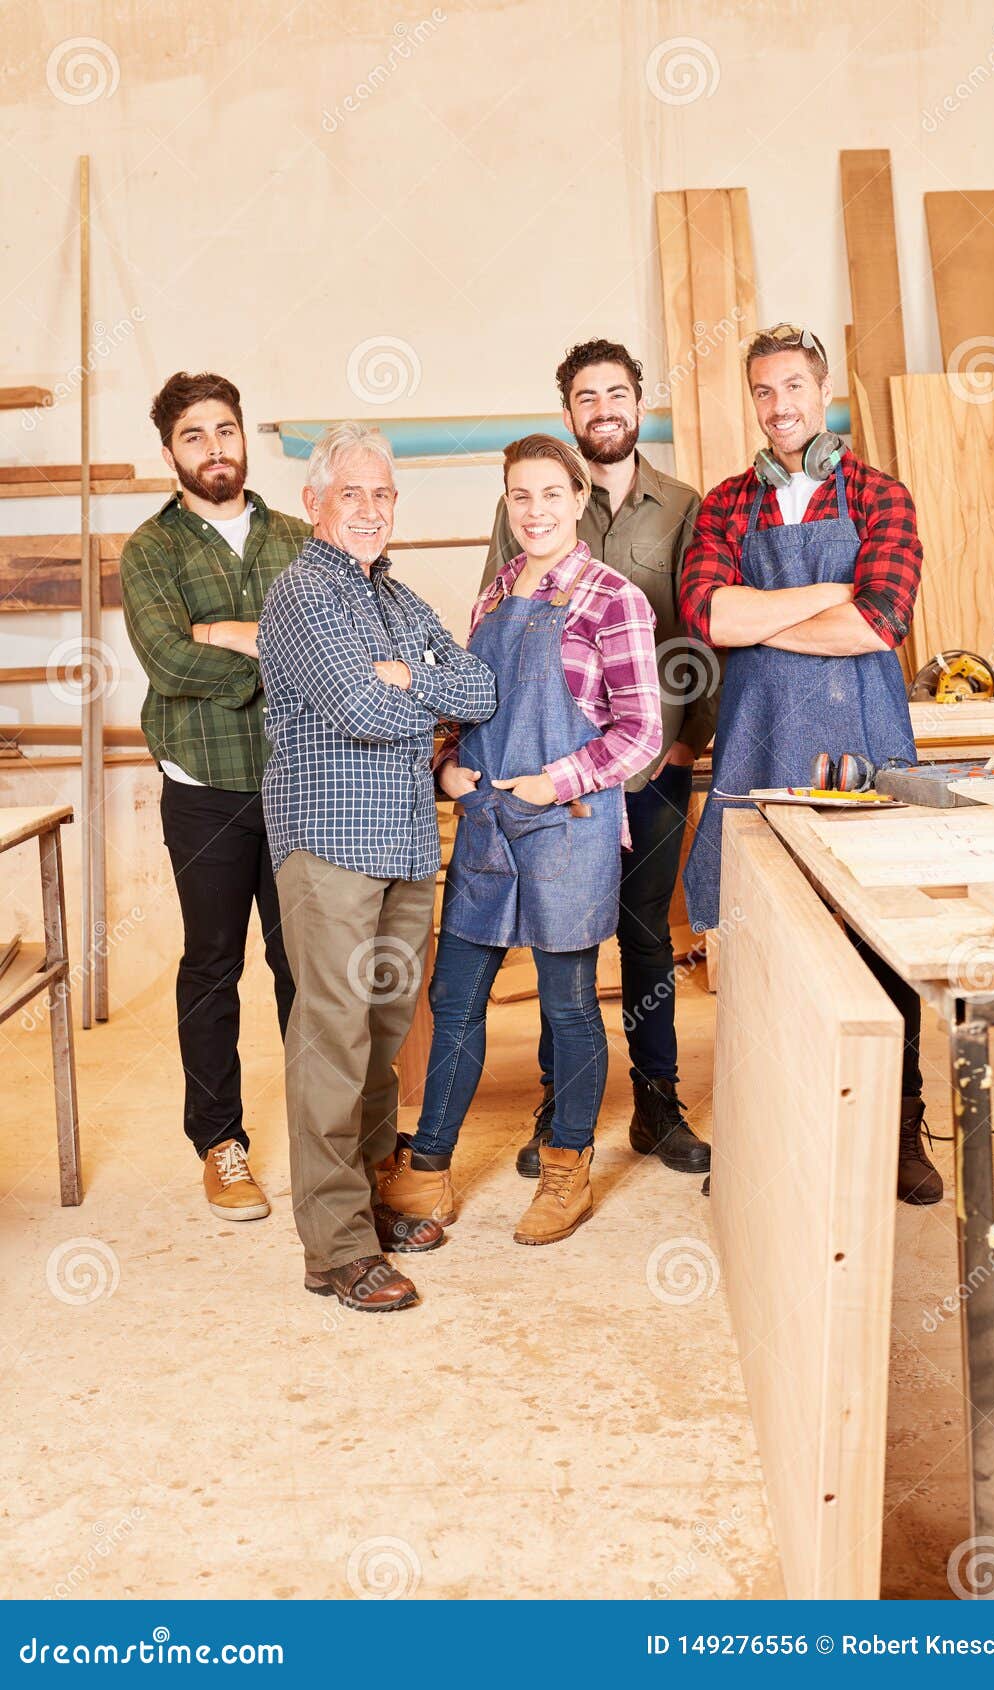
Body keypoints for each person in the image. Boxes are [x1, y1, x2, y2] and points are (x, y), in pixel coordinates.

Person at [377, 435, 662, 1246]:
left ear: (579, 500)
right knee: (455, 998)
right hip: (489, 827)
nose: (534, 510)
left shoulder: (614, 599)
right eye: (519, 496)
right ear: (507, 505)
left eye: (549, 494)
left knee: (569, 1008)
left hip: (567, 828)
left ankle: (566, 1168)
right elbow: (465, 707)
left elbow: (641, 734)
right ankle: (427, 1170)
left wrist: (557, 780)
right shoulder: (494, 594)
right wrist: (446, 766)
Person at [679, 323, 940, 1205]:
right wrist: (828, 594)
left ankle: (898, 1128)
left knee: (875, 943)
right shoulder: (723, 505)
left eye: (792, 387)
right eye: (762, 391)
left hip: (861, 738)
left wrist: (768, 619)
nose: (779, 406)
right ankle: (768, 1133)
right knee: (758, 946)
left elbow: (878, 622)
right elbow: (710, 621)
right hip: (755, 743)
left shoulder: (880, 495)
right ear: (750, 401)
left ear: (820, 391)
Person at [257, 423, 496, 1312]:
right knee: (332, 1035)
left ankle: (361, 1204)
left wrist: (413, 672)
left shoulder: (395, 599)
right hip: (328, 844)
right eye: (349, 493)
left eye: (381, 495)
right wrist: (404, 683)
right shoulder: (300, 596)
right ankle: (334, 1249)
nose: (367, 509)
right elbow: (360, 707)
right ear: (313, 502)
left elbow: (480, 687)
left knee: (384, 1035)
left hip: (401, 840)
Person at [479, 340, 713, 1178]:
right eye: (586, 397)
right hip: (551, 779)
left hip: (645, 765)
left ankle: (657, 1102)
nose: (602, 408)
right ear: (569, 414)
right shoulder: (535, 509)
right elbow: (492, 634)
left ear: (638, 404)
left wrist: (686, 739)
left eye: (617, 393)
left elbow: (700, 630)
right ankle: (559, 1106)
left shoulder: (683, 506)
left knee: (646, 936)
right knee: (558, 937)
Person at [121, 371, 309, 1224]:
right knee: (210, 967)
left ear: (243, 438)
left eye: (224, 430)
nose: (214, 448)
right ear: (170, 453)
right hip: (203, 789)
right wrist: (270, 649)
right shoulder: (150, 550)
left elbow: (328, 650)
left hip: (304, 787)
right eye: (194, 436)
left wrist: (226, 634)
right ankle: (220, 1144)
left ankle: (323, 1134)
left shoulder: (303, 539)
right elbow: (167, 662)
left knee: (305, 967)